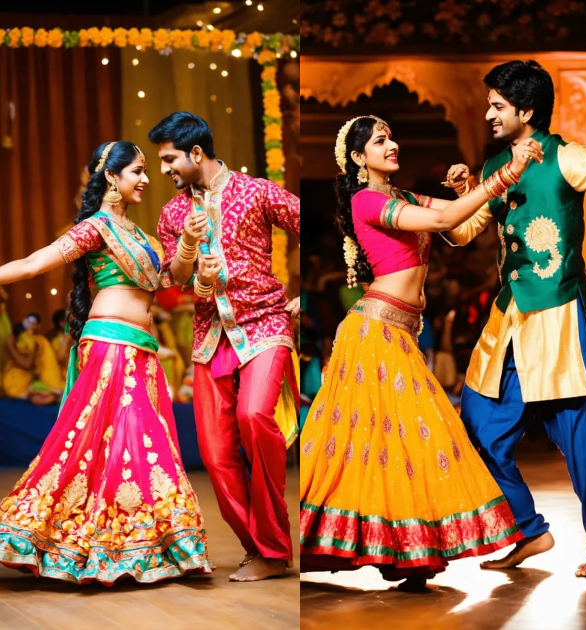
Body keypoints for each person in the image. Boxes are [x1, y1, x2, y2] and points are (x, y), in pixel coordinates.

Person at [299, 116, 536, 589]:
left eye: (391, 137)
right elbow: (446, 218)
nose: (393, 145)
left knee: (400, 444)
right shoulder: (366, 200)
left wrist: (467, 184)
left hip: (398, 334)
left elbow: (457, 216)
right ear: (358, 157)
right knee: (396, 440)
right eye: (380, 141)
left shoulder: (402, 197)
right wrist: (505, 173)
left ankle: (412, 555)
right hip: (373, 334)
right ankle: (360, 546)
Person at [0, 141, 212, 584]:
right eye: (137, 170)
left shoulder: (144, 238)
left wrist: (189, 241)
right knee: (125, 442)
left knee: (130, 448)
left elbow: (169, 279)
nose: (146, 178)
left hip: (144, 352)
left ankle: (132, 543)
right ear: (110, 177)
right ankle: (117, 543)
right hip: (111, 346)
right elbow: (35, 263)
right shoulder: (96, 229)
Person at [440, 60, 586, 578]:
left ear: (525, 110)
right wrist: (461, 195)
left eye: (497, 106)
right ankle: (530, 531)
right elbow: (461, 234)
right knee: (479, 428)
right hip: (507, 319)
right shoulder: (492, 169)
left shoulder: (569, 158)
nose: (488, 113)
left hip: (557, 317)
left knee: (580, 443)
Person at [152, 112, 301, 582]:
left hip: (263, 323)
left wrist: (308, 292)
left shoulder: (256, 191)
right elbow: (172, 281)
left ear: (197, 153)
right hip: (209, 335)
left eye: (169, 158)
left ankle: (276, 550)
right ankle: (257, 551)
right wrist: (190, 257)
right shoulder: (173, 213)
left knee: (255, 417)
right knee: (216, 454)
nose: (164, 170)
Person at [2, 313, 63, 405]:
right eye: (28, 322)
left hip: (32, 380)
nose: (30, 325)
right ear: (23, 321)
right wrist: (11, 346)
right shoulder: (15, 339)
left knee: (49, 395)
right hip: (15, 382)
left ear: (38, 326)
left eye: (33, 323)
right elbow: (27, 364)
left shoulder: (37, 341)